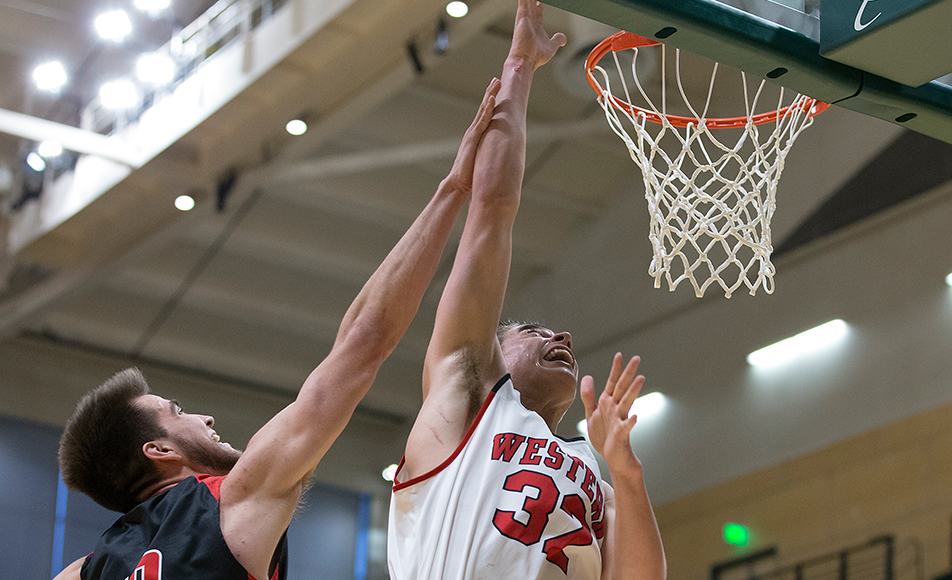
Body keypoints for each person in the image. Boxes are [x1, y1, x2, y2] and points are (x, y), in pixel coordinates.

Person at [54, 75, 504, 580]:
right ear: (159, 451)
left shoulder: (82, 572)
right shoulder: (230, 502)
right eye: (176, 411)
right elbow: (363, 343)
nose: (202, 417)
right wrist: (453, 189)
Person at [387, 1, 667, 578]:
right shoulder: (467, 397)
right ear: (494, 350)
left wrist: (627, 472)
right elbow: (492, 213)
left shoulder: (590, 466)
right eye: (531, 330)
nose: (559, 334)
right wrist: (520, 65)